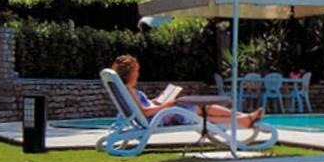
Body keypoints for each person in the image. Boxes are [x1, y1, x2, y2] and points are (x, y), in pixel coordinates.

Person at [111, 55, 264, 128]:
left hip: (160, 115)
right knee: (204, 109)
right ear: (130, 73)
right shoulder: (129, 90)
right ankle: (243, 117)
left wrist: (159, 99)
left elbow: (144, 108)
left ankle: (243, 118)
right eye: (136, 71)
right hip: (160, 118)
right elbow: (145, 112)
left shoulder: (126, 90)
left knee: (205, 115)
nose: (138, 74)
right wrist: (166, 104)